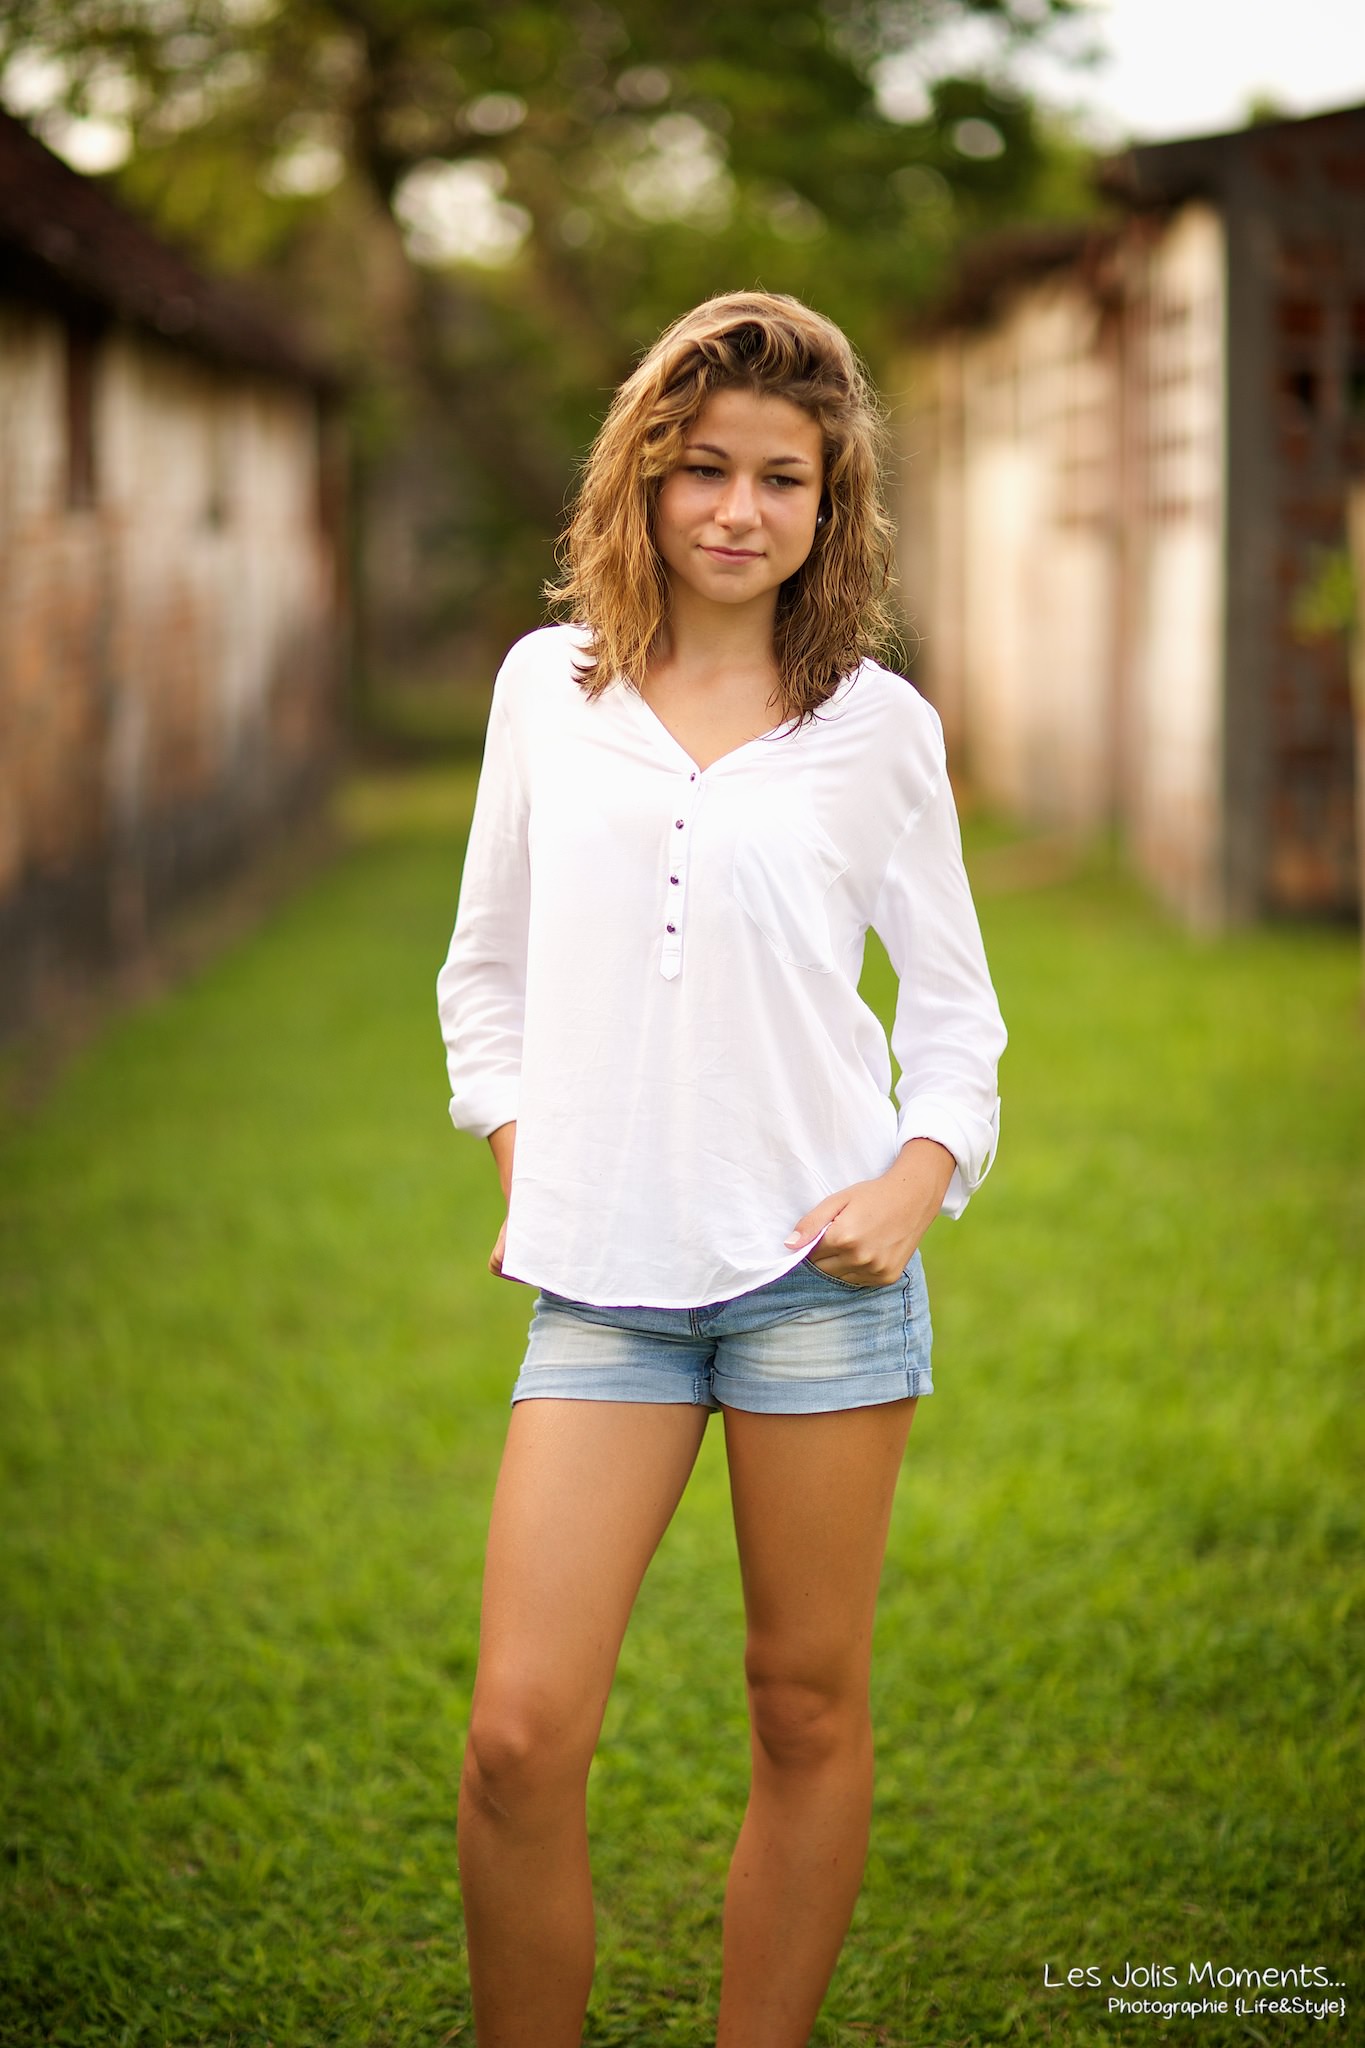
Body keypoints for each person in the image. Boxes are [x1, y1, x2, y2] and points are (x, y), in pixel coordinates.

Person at [436, 290, 1006, 2048]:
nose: (739, 512)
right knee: (519, 1737)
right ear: (643, 479)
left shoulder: (878, 728)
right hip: (602, 1289)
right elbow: (487, 975)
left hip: (814, 1290)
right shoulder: (552, 688)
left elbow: (956, 1017)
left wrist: (917, 1178)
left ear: (831, 508)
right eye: (701, 472)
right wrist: (538, 1162)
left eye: (783, 480)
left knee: (803, 1707)